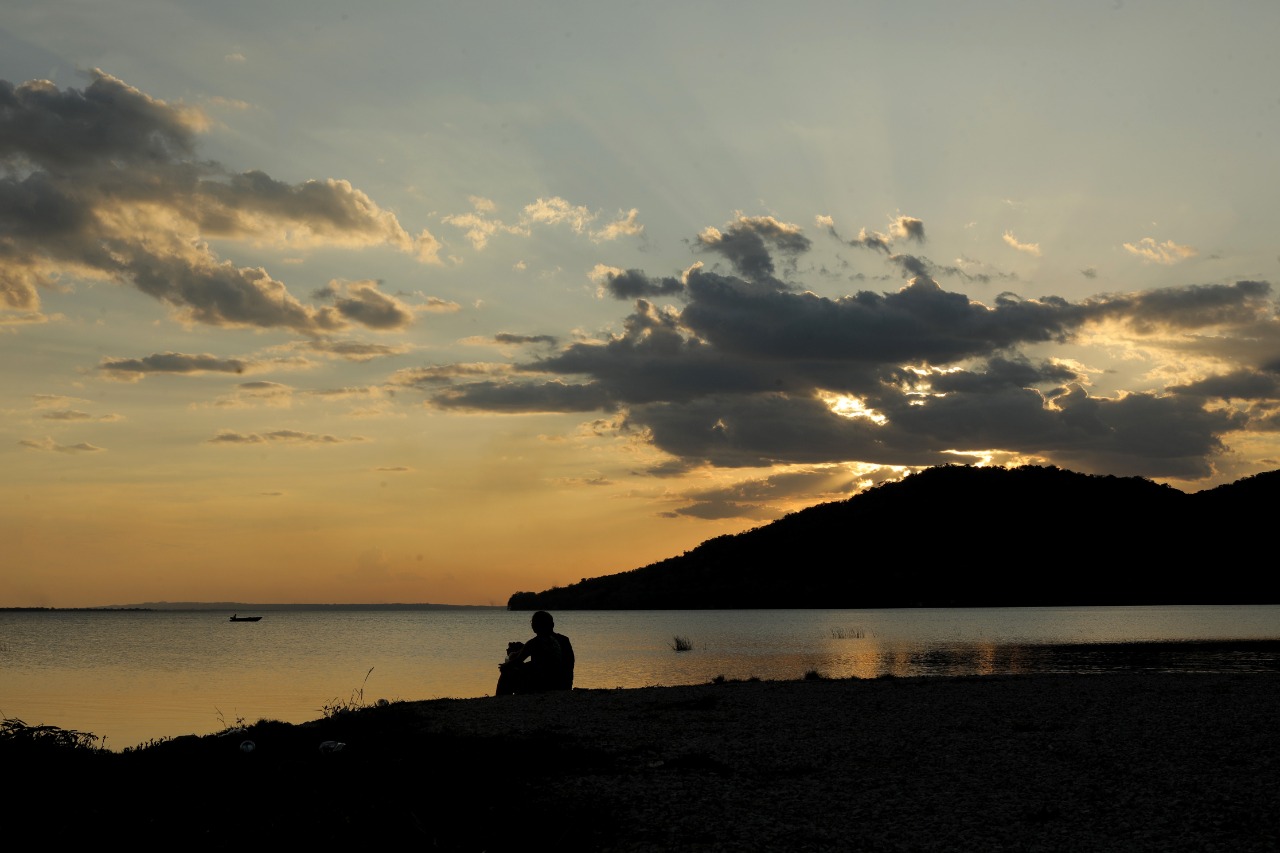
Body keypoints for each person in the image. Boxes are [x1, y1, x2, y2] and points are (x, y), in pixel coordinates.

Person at [496, 610, 574, 695]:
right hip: (564, 685)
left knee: (507, 672)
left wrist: (507, 662)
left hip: (543, 686)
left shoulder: (534, 642)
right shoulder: (564, 640)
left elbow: (516, 662)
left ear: (534, 627)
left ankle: (500, 698)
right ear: (552, 625)